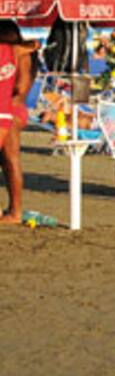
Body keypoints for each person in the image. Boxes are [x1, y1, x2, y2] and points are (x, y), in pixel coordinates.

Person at [0, 20, 38, 224]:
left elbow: (21, 88)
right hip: (10, 108)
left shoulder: (18, 54)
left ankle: (15, 211)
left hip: (10, 109)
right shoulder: (19, 51)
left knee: (10, 158)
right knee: (6, 160)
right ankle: (12, 209)